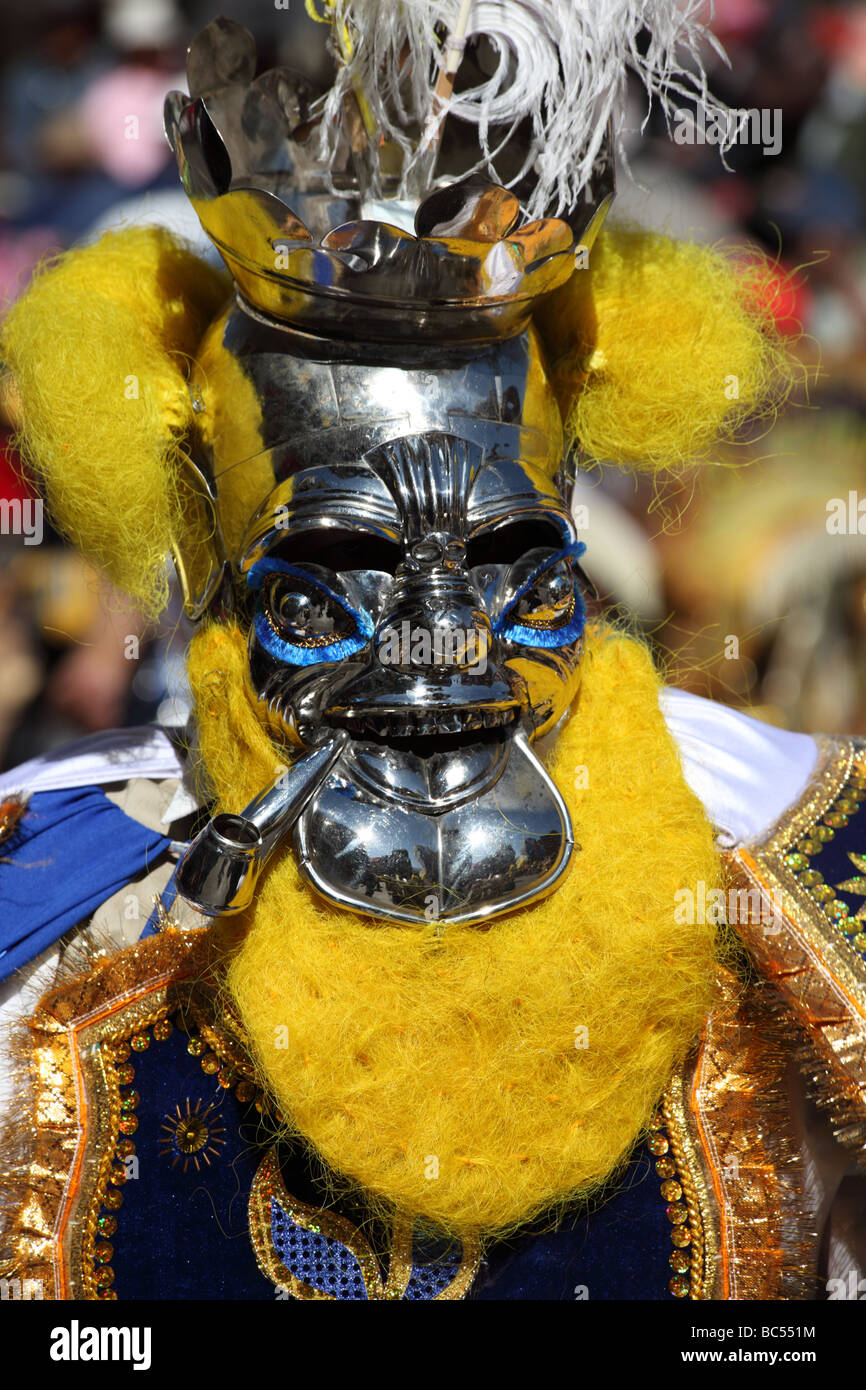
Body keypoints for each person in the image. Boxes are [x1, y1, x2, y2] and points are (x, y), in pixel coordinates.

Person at [0, 9, 864, 1302]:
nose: (437, 639)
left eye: (507, 571)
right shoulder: (54, 896)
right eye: (338, 584)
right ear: (214, 561)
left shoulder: (802, 860)